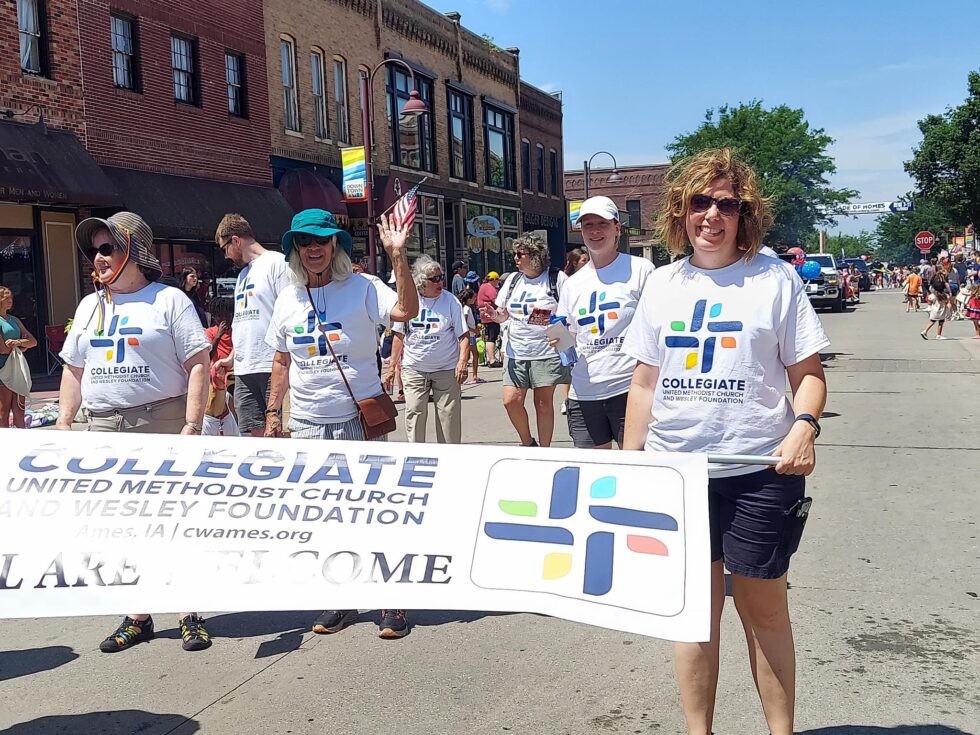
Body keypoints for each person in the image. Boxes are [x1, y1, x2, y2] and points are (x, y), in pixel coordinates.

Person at [621, 148, 829, 735]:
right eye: (699, 202)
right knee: (694, 617)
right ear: (680, 211)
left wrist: (803, 427)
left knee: (764, 613)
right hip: (677, 477)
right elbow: (643, 386)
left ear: (744, 215)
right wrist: (631, 463)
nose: (711, 215)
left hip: (760, 471)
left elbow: (808, 376)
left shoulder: (774, 279)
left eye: (726, 204)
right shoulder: (662, 284)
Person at [56, 211, 212, 653]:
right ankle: (138, 615)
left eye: (108, 248)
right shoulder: (90, 307)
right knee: (123, 528)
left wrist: (191, 423)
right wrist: (66, 421)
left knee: (173, 522)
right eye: (95, 250)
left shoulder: (168, 301)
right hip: (105, 427)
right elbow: (73, 369)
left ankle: (188, 613)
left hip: (161, 420)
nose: (98, 257)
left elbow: (197, 364)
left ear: (134, 252)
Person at [263, 208, 417, 639]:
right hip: (310, 424)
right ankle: (343, 598)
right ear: (295, 248)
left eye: (322, 240)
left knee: (378, 513)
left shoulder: (363, 287)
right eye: (305, 241)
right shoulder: (288, 298)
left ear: (335, 246)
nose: (314, 249)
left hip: (358, 418)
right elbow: (281, 359)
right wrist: (274, 414)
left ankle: (393, 602)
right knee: (327, 518)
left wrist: (398, 257)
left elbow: (405, 309)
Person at [553, 196, 656, 449]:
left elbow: (657, 328)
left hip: (629, 388)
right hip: (584, 390)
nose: (595, 231)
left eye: (602, 223)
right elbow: (571, 335)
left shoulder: (641, 269)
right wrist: (560, 340)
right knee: (593, 474)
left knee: (635, 470)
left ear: (617, 228)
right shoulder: (572, 283)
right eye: (588, 225)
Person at [481, 235, 569, 447]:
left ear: (536, 256)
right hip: (516, 351)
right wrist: (496, 316)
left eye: (520, 254)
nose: (515, 258)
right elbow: (505, 314)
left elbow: (567, 314)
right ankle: (528, 442)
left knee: (543, 403)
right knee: (511, 401)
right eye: (514, 254)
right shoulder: (513, 280)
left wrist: (535, 316)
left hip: (546, 350)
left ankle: (545, 450)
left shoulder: (557, 278)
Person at [213, 214, 289, 437]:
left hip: (271, 363)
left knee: (277, 432)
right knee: (253, 434)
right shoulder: (243, 274)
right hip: (245, 366)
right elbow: (242, 320)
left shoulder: (277, 263)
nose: (225, 255)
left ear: (235, 240)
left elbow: (289, 313)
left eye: (224, 248)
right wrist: (231, 357)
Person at [387, 256, 468, 443]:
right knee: (414, 412)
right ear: (421, 283)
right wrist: (391, 367)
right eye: (435, 279)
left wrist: (462, 362)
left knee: (448, 417)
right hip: (415, 368)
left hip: (446, 369)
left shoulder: (451, 301)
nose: (440, 282)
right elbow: (399, 336)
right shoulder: (408, 301)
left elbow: (463, 335)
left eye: (441, 277)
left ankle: (449, 459)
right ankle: (416, 455)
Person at [0, 286, 38, 428]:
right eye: (6, 298)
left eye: (11, 298)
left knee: (19, 411)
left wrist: (18, 343)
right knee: (3, 412)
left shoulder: (14, 319)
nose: (10, 301)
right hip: (3, 368)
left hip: (17, 367)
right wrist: (22, 346)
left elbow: (33, 342)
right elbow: (3, 349)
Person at [203, 296, 238, 436]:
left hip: (234, 375)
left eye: (226, 314)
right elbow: (208, 356)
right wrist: (218, 336)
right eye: (218, 315)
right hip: (217, 377)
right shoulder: (210, 332)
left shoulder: (237, 331)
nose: (222, 318)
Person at [477, 271, 502, 367]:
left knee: (490, 336)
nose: (498, 283)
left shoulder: (483, 286)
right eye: (497, 280)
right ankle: (492, 360)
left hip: (485, 314)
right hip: (490, 315)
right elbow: (496, 300)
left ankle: (490, 358)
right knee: (492, 337)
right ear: (494, 280)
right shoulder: (489, 287)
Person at [459, 287, 483, 383]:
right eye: (473, 297)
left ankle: (474, 375)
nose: (475, 299)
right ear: (469, 299)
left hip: (471, 334)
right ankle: (474, 376)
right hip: (470, 335)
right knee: (471, 355)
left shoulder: (468, 308)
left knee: (472, 355)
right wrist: (474, 330)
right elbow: (464, 323)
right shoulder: (466, 309)